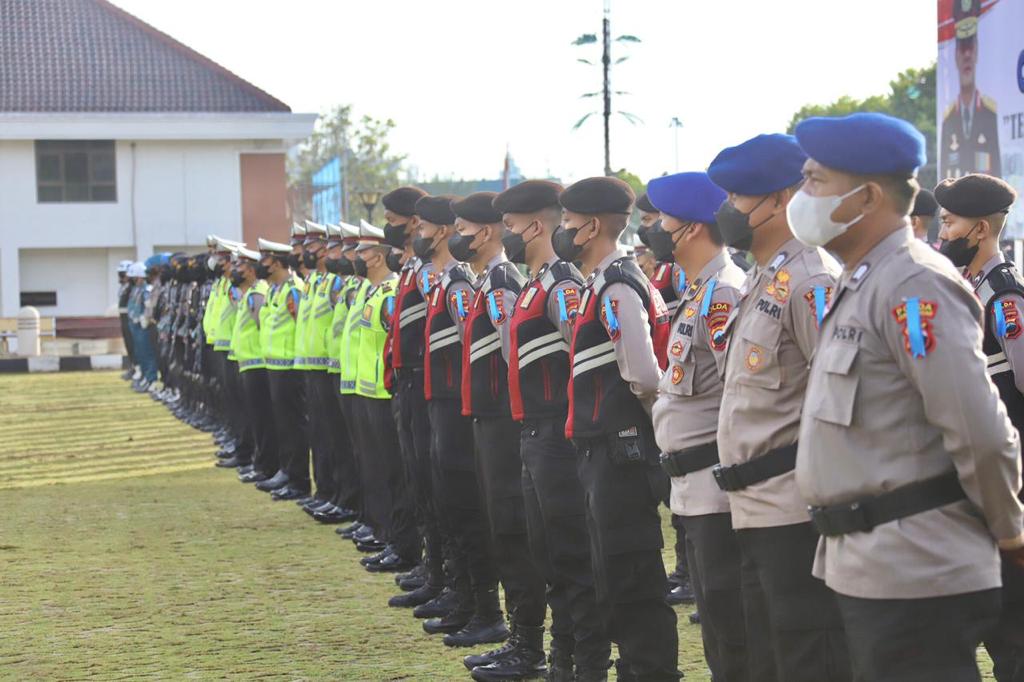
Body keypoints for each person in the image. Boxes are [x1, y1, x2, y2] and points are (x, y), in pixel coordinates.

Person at [790, 111, 1024, 681]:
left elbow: (979, 430)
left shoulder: (914, 282)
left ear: (866, 197)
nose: (802, 195)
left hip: (915, 567)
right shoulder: (862, 278)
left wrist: (1011, 532)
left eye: (817, 180)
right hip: (873, 564)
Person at [708, 132, 849, 682]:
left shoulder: (811, 278)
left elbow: (836, 395)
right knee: (766, 655)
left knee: (807, 656)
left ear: (781, 199)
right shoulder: (763, 278)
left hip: (793, 509)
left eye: (740, 197)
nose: (728, 211)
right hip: (752, 506)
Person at [557, 176, 679, 682]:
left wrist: (645, 433)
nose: (561, 231)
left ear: (589, 227)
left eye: (566, 223)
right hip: (603, 448)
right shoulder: (602, 282)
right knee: (612, 575)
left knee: (631, 578)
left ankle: (649, 672)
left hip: (620, 450)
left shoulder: (616, 285)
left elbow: (645, 376)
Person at [496, 179, 611, 682]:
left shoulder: (562, 284)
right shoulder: (535, 282)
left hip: (558, 436)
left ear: (535, 227)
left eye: (512, 227)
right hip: (534, 434)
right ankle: (562, 660)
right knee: (547, 556)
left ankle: (585, 665)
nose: (507, 236)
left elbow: (580, 353)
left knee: (571, 556)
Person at [645, 171, 749, 682]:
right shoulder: (699, 290)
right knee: (716, 626)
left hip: (717, 486)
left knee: (731, 628)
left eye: (662, 219)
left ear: (689, 229)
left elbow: (739, 392)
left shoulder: (723, 292)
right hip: (693, 486)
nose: (655, 228)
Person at [447, 192, 548, 677]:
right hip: (488, 419)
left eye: (462, 228)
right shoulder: (487, 280)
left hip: (506, 422)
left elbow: (515, 355)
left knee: (511, 530)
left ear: (485, 233)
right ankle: (516, 634)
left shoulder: (504, 279)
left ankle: (527, 642)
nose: (456, 237)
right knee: (500, 528)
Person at [933, 173, 1024, 680]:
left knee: (1013, 622)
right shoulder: (969, 287)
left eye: (949, 223)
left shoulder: (1003, 294)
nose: (941, 234)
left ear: (981, 228)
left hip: (1008, 474)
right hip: (977, 470)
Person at [415, 194, 508, 648]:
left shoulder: (460, 285)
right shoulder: (449, 281)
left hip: (458, 407)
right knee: (450, 504)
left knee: (466, 508)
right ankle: (465, 597)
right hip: (445, 404)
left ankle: (485, 609)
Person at [381, 186, 447, 609]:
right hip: (407, 381)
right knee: (417, 477)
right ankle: (431, 566)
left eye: (394, 220)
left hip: (426, 382)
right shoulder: (412, 267)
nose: (388, 227)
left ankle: (440, 572)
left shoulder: (428, 270)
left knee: (432, 480)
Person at [352, 225, 420, 574]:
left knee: (394, 473)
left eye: (361, 252)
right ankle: (385, 532)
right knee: (378, 469)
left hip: (383, 392)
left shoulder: (390, 293)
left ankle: (399, 540)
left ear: (377, 255)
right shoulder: (371, 291)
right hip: (367, 390)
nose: (356, 259)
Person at [254, 238, 310, 501]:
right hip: (274, 364)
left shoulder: (293, 289)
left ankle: (298, 479)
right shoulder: (275, 289)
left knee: (293, 425)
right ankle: (286, 471)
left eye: (264, 260)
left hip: (289, 367)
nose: (260, 265)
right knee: (283, 424)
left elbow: (300, 322)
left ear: (276, 262)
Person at [227, 246, 278, 485]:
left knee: (263, 420)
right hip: (249, 362)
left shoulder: (258, 292)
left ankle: (266, 466)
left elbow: (261, 326)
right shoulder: (249, 293)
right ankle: (261, 463)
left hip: (258, 364)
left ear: (250, 270)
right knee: (256, 419)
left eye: (240, 266)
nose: (235, 270)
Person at [941, 0, 1000, 179]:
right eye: (962, 48)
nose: (966, 55)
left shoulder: (990, 113)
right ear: (956, 55)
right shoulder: (948, 119)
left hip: (985, 203)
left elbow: (996, 169)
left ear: (976, 51)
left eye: (970, 47)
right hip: (957, 204)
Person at [126, 261, 159, 392]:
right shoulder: (136, 290)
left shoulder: (146, 290)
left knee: (147, 353)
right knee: (140, 353)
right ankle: (146, 377)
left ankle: (152, 379)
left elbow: (149, 306)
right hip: (135, 324)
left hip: (143, 325)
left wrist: (145, 318)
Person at [117, 259, 136, 380]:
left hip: (130, 317)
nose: (120, 277)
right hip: (123, 317)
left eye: (122, 274)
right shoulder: (124, 287)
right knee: (128, 344)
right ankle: (132, 367)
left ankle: (136, 368)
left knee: (133, 344)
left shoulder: (131, 288)